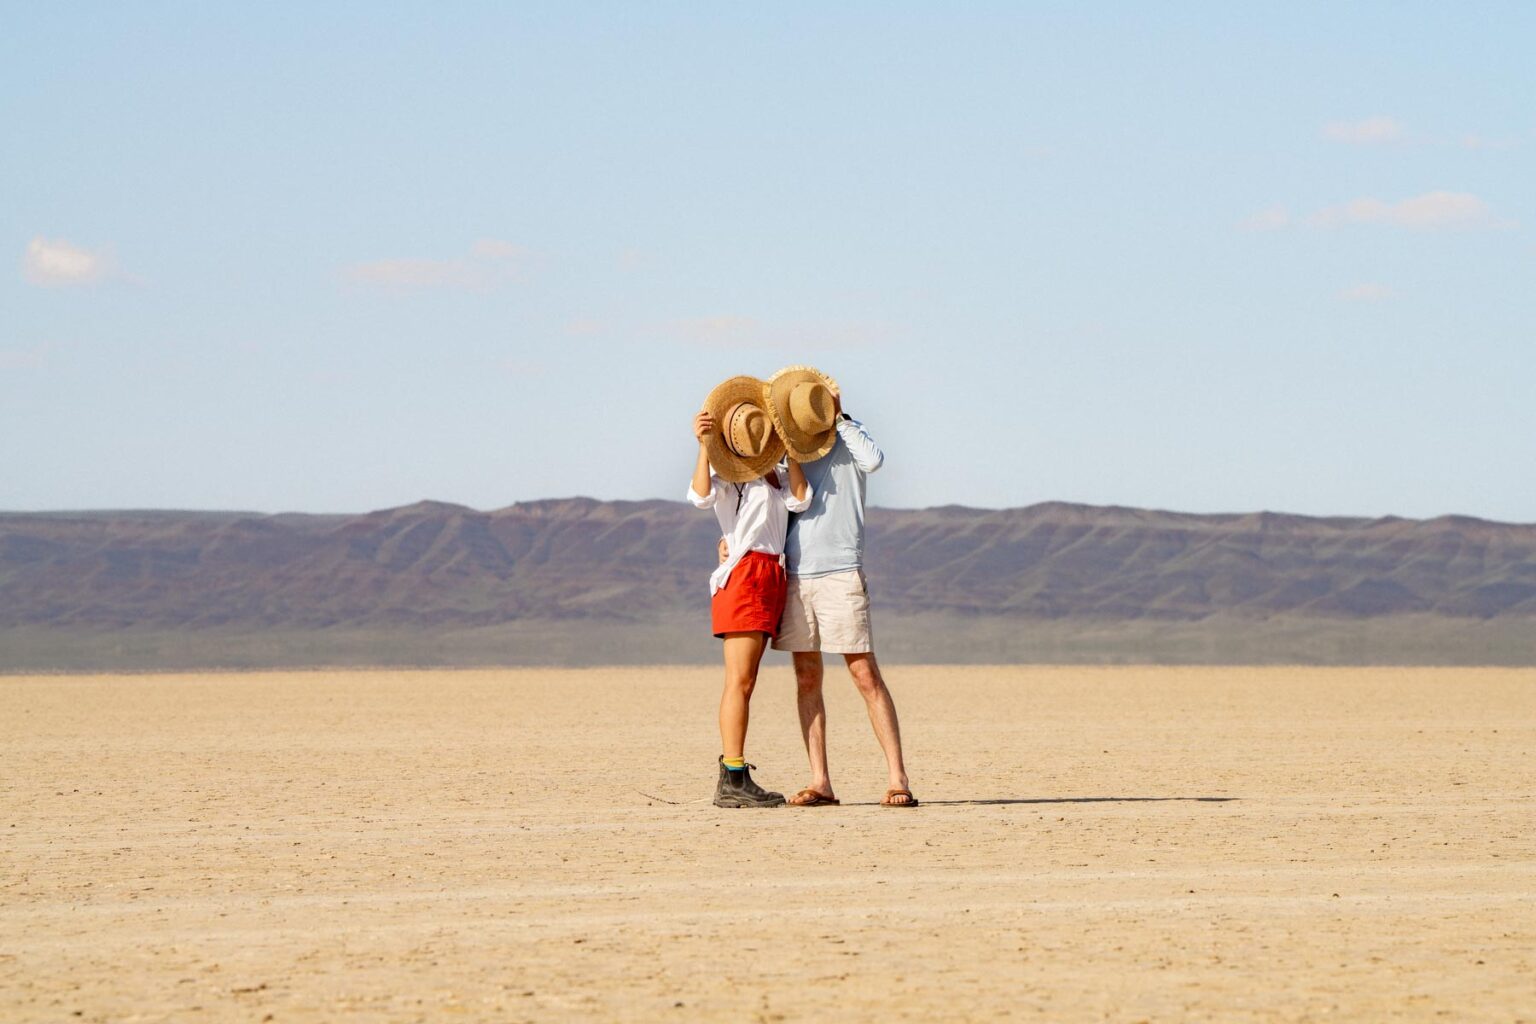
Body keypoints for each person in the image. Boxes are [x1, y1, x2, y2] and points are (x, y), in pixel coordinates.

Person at [762, 366, 917, 808]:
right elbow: (768, 505)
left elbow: (875, 460)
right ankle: (821, 781)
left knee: (864, 673)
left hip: (841, 571)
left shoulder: (850, 442)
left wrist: (841, 417)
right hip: (796, 574)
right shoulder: (785, 455)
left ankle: (897, 778)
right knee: (806, 675)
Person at [688, 375, 812, 809]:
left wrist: (791, 449)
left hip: (771, 574)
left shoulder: (776, 476)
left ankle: (735, 775)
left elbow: (801, 500)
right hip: (745, 575)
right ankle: (733, 776)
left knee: (748, 679)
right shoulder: (728, 481)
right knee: (739, 680)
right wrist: (704, 446)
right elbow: (700, 497)